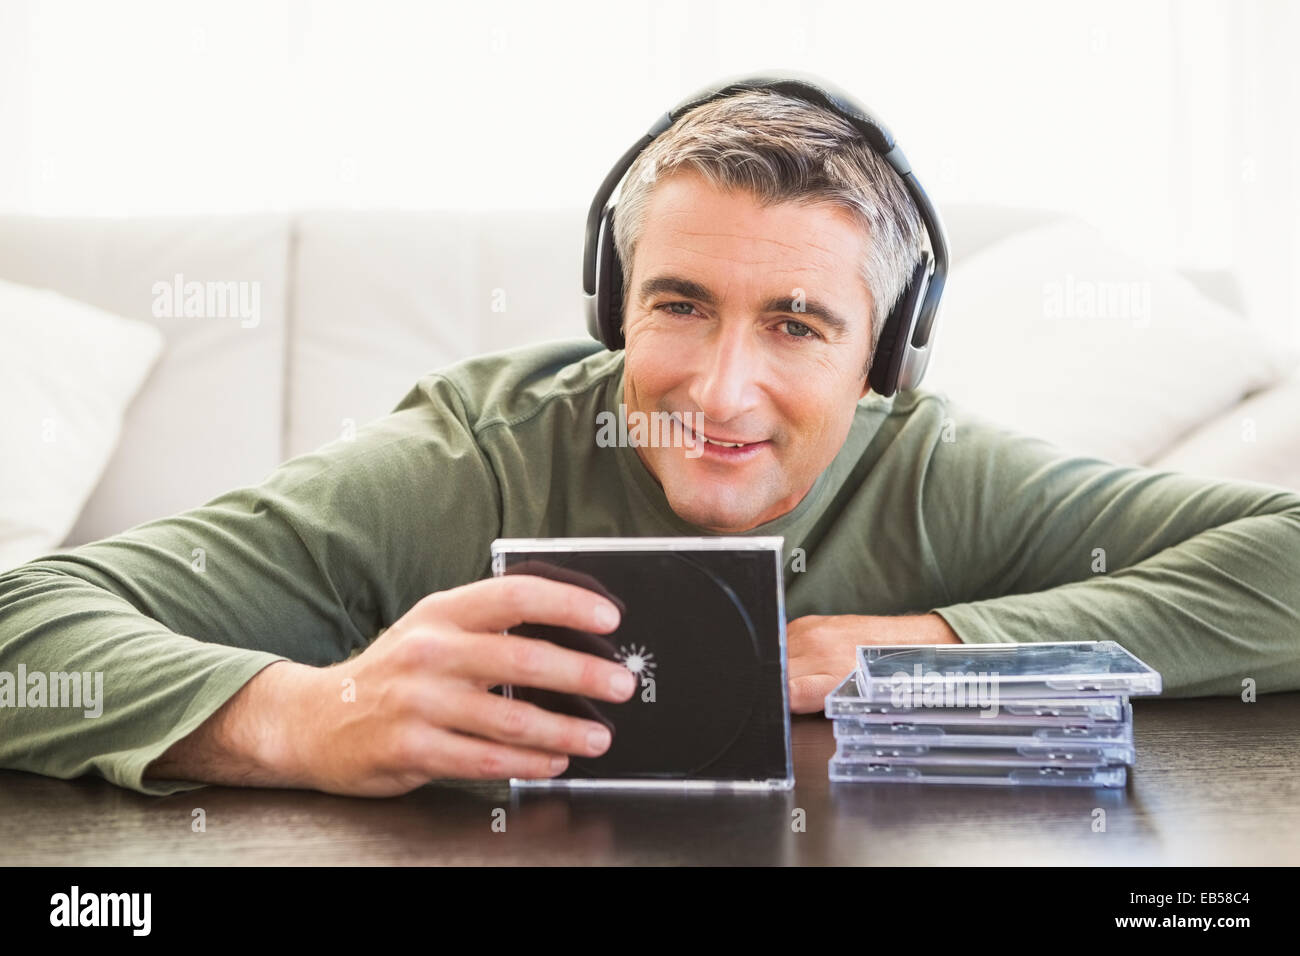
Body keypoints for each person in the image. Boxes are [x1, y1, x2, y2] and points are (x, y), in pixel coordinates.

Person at [2, 81, 1297, 799]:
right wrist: (300, 715)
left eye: (797, 324)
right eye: (680, 306)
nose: (720, 392)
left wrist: (939, 645)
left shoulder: (936, 471)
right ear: (615, 306)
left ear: (884, 358)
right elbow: (24, 628)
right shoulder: (473, 457)